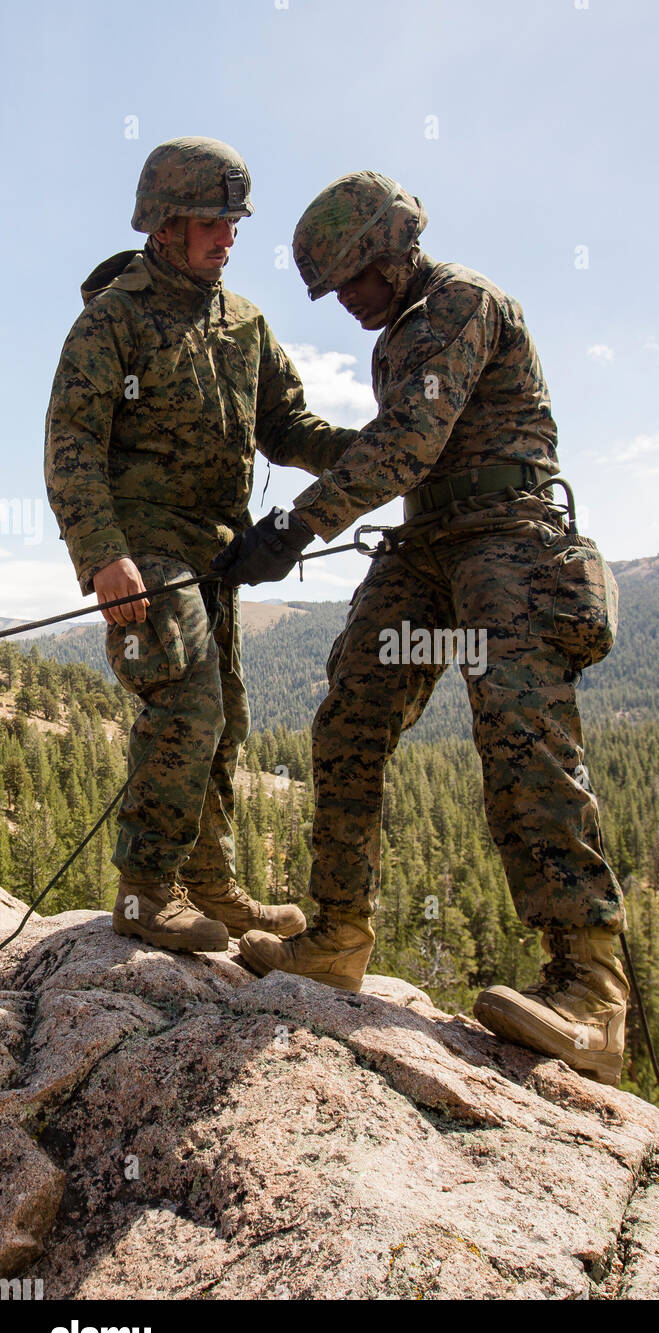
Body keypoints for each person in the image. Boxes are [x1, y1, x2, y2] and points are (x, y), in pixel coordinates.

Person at [216, 171, 629, 1085]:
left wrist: (293, 526)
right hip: (428, 541)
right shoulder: (400, 330)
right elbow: (399, 457)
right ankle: (336, 935)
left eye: (358, 279)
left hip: (506, 540)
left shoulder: (462, 304)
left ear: (397, 250)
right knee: (351, 717)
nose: (350, 302)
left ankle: (592, 990)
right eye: (336, 290)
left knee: (523, 735)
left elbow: (409, 442)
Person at [44, 137, 356, 954]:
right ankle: (147, 890)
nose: (228, 237)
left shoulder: (245, 324)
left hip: (217, 558)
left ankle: (209, 886)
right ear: (165, 222)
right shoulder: (113, 318)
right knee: (185, 702)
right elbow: (72, 439)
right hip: (143, 547)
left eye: (232, 224)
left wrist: (380, 451)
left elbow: (292, 428)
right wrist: (102, 554)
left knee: (227, 723)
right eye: (212, 222)